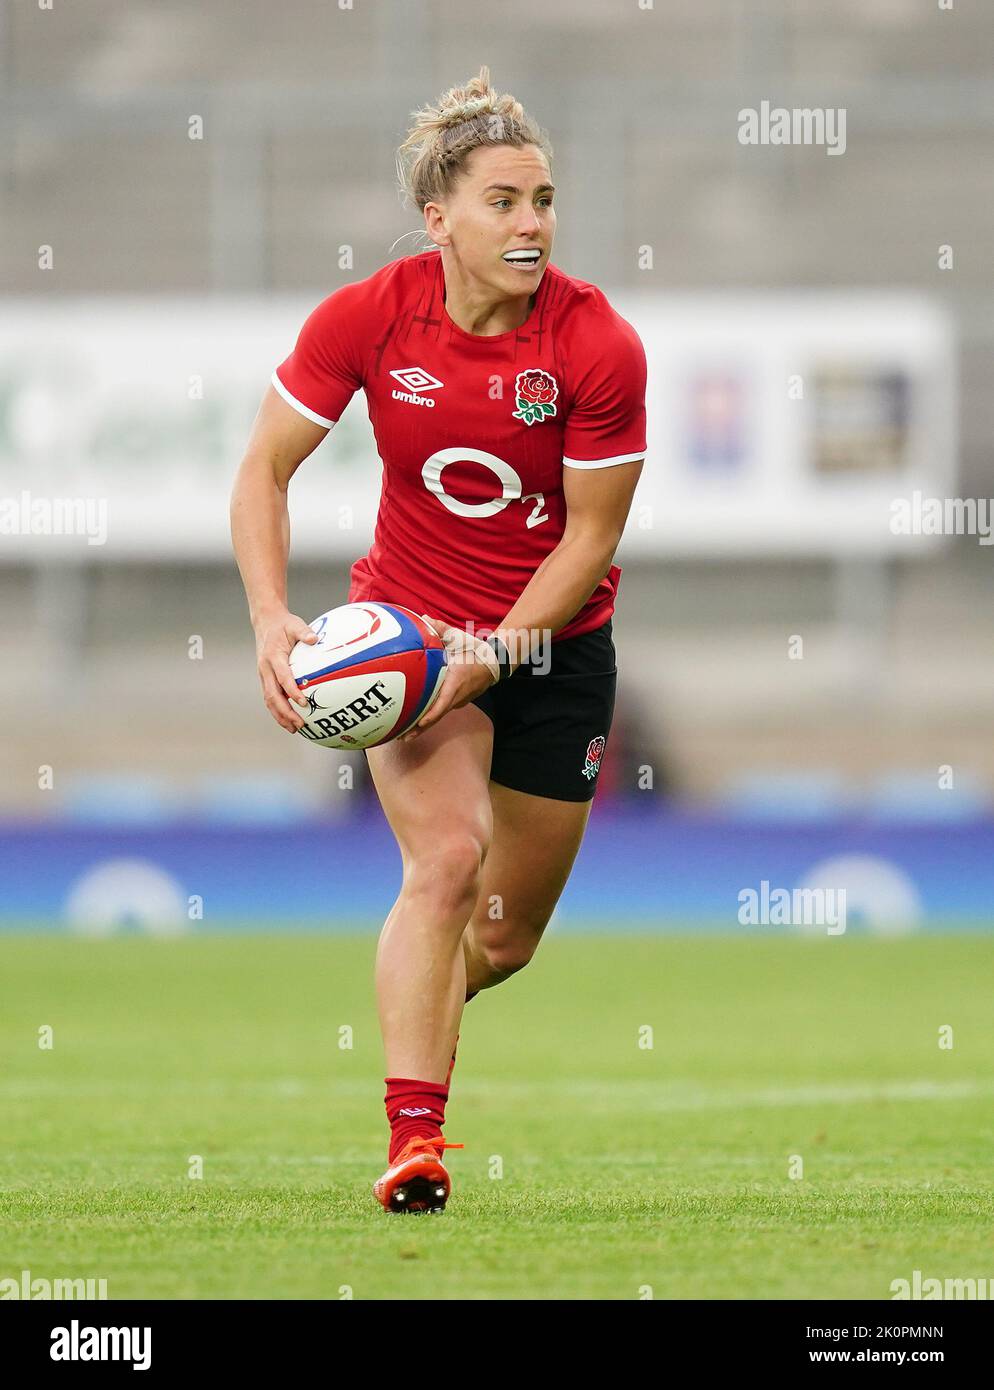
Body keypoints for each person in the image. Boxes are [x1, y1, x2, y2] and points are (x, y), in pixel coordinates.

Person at [230, 66, 646, 1214]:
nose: (532, 225)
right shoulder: (368, 317)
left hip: (556, 650)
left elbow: (590, 539)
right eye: (505, 201)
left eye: (545, 200)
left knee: (501, 940)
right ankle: (415, 1139)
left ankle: (409, 1007)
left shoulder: (598, 341)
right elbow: (262, 471)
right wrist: (272, 614)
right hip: (412, 640)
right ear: (438, 219)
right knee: (446, 867)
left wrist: (504, 646)